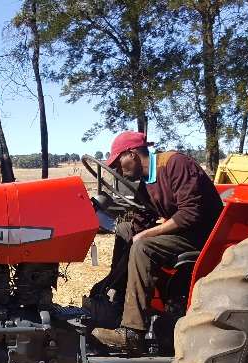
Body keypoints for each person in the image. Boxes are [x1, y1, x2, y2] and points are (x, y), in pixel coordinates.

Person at [90, 131, 223, 351]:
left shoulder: (175, 164)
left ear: (131, 154)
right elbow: (143, 219)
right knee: (126, 231)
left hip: (204, 236)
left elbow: (191, 213)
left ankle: (133, 332)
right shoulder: (145, 183)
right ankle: (116, 300)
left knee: (144, 246)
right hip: (183, 233)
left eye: (118, 162)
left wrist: (147, 234)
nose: (116, 169)